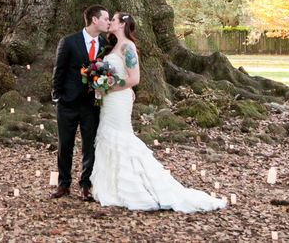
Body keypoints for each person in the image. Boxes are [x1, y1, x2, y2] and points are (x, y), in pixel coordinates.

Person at [90, 12, 226, 213]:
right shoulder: (113, 46)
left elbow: (134, 79)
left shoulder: (128, 47)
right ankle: (112, 188)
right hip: (109, 101)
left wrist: (109, 86)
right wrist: (101, 83)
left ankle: (136, 188)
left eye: (113, 20)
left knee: (120, 138)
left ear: (121, 25)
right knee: (106, 136)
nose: (109, 22)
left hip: (118, 100)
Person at [50, 4, 110, 201]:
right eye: (105, 19)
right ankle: (63, 184)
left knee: (89, 146)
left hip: (91, 105)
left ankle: (86, 185)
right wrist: (58, 96)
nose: (108, 22)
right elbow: (59, 70)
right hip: (67, 103)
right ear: (95, 19)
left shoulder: (104, 45)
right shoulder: (69, 41)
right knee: (65, 145)